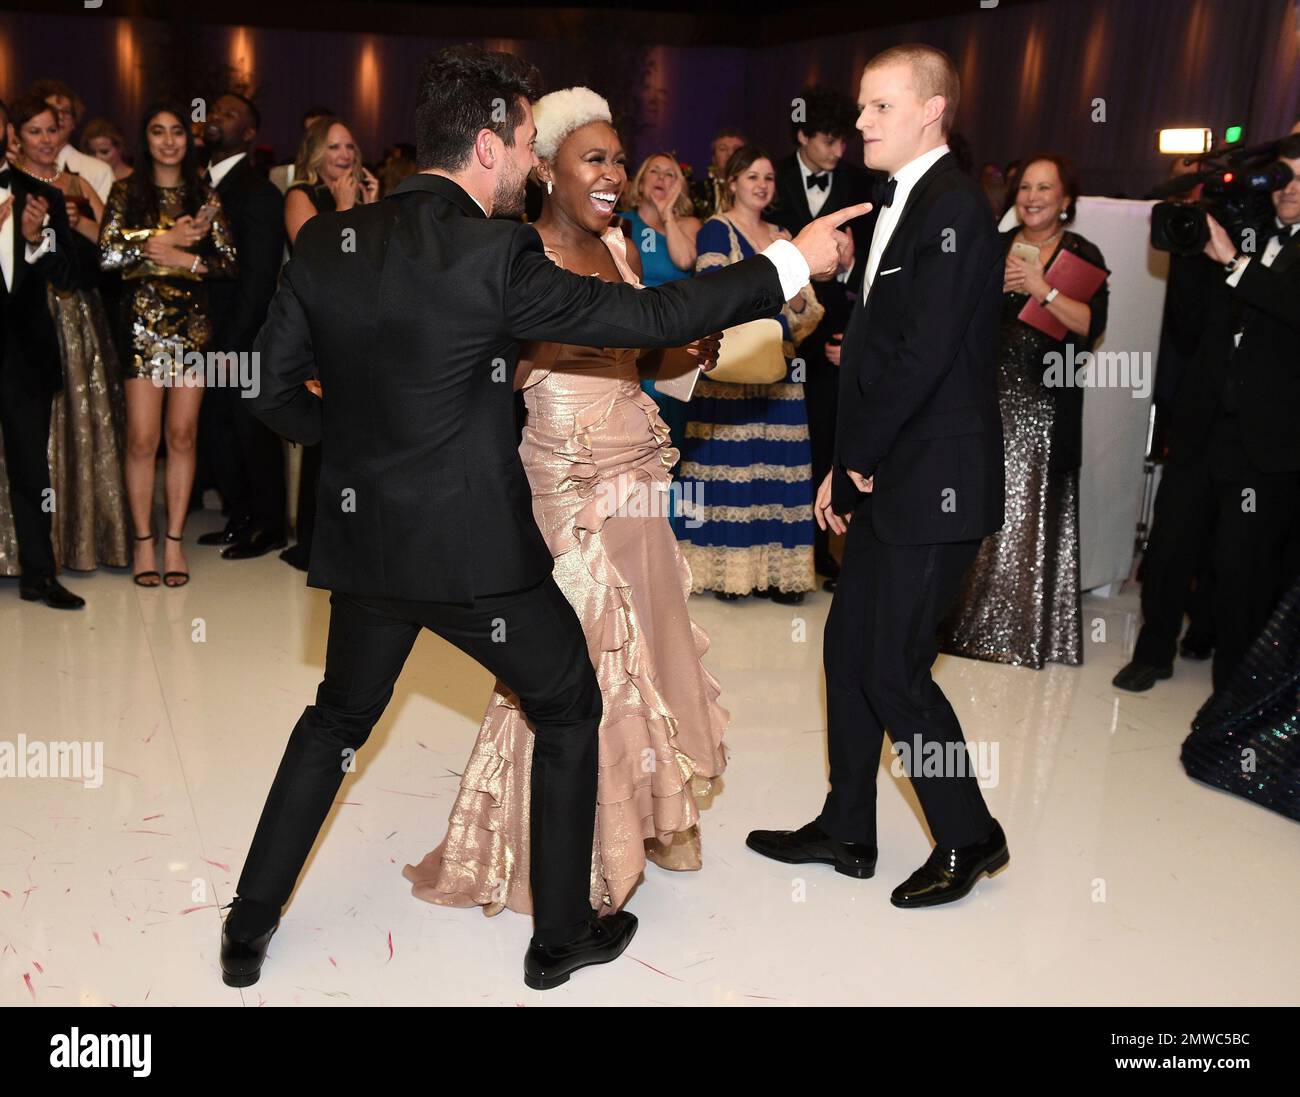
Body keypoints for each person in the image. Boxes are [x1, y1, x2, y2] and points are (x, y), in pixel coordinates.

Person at [219, 44, 863, 992]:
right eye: (525, 142)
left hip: (367, 551)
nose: (531, 160)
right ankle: (558, 937)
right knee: (569, 705)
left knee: (335, 722)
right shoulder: (495, 253)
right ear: (486, 145)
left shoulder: (328, 245)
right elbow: (650, 323)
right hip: (480, 556)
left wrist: (360, 453)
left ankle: (246, 927)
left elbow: (268, 390)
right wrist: (784, 266)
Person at [404, 85, 729, 931]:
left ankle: (652, 821)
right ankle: (562, 852)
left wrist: (685, 349)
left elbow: (643, 359)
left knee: (650, 653)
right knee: (577, 671)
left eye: (621, 158)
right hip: (567, 492)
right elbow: (492, 377)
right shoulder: (514, 260)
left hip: (639, 481)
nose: (615, 174)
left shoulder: (620, 245)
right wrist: (556, 342)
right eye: (597, 158)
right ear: (545, 170)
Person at [747, 43, 1010, 908]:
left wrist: (857, 462)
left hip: (936, 480)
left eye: (880, 107)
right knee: (846, 647)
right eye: (861, 108)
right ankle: (848, 824)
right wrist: (841, 467)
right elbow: (871, 350)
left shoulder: (958, 209)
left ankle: (970, 835)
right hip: (889, 470)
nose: (859, 123)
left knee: (895, 666)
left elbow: (926, 355)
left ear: (932, 111)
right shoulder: (896, 203)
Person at [1113, 134, 1300, 693]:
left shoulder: (1256, 251)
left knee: (1243, 565)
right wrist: (1197, 251)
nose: (1285, 187)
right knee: (1170, 548)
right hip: (1201, 423)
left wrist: (1234, 260)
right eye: (1281, 174)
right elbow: (1192, 328)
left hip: (1266, 438)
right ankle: (1153, 650)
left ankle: (1234, 685)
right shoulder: (1248, 230)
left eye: (1297, 175)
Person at [939, 154, 1109, 668]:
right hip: (986, 397)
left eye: (1045, 188)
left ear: (1066, 200)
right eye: (1026, 188)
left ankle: (1027, 634)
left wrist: (1042, 288)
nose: (1033, 197)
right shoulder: (993, 244)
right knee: (980, 506)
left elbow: (1087, 325)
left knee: (1032, 512)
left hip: (1046, 404)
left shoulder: (1081, 254)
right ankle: (966, 626)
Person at [99, 101, 238, 589]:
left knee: (182, 435)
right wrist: (161, 238)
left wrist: (182, 257)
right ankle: (143, 541)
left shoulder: (204, 195)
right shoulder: (125, 192)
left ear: (188, 137)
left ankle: (174, 539)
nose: (169, 140)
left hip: (192, 332)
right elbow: (109, 254)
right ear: (146, 138)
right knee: (142, 439)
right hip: (140, 328)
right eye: (157, 131)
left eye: (177, 130)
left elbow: (227, 262)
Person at [676, 146, 823, 604]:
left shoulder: (785, 235)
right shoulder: (717, 230)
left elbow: (810, 310)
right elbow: (720, 297)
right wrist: (783, 301)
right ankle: (729, 574)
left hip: (779, 371)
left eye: (769, 177)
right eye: (752, 176)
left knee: (777, 471)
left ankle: (778, 575)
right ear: (732, 182)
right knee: (729, 469)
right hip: (731, 371)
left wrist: (788, 306)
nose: (762, 184)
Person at [8, 94, 129, 573]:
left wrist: (83, 224)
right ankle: (26, 545)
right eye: (34, 131)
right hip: (26, 311)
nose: (44, 139)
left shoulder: (77, 181)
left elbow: (112, 246)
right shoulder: (12, 186)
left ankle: (81, 536)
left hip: (76, 310)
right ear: (17, 136)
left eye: (52, 130)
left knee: (83, 415)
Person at [770, 86, 876, 591]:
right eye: (829, 141)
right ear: (802, 136)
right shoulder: (771, 179)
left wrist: (851, 272)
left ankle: (819, 551)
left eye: (843, 142)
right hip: (782, 335)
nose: (839, 151)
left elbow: (874, 270)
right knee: (781, 444)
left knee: (830, 442)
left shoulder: (860, 184)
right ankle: (776, 549)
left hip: (837, 335)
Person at [278, 114, 378, 571]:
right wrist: (343, 211)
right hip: (318, 326)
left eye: (350, 147)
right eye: (335, 147)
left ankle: (355, 533)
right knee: (325, 428)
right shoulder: (301, 195)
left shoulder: (363, 197)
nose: (345, 155)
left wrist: (371, 207)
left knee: (359, 431)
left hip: (362, 326)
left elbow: (377, 263)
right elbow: (318, 259)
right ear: (316, 153)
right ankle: (314, 542)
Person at [0, 96, 86, 608]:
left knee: (33, 469)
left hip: (24, 356)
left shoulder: (40, 195)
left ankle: (39, 573)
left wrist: (36, 241)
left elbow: (71, 277)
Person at [195, 93, 287, 560]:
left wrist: (232, 342)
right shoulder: (197, 185)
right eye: (213, 110)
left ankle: (269, 525)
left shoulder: (258, 191)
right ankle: (241, 516)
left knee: (250, 430)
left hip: (241, 336)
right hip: (203, 334)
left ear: (249, 134)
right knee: (219, 429)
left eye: (228, 114)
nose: (214, 117)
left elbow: (258, 278)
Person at [618, 151, 701, 454]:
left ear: (680, 186)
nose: (662, 179)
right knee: (632, 432)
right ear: (640, 182)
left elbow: (685, 260)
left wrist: (667, 215)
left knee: (669, 437)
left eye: (670, 175)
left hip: (677, 336)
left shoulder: (689, 225)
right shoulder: (620, 223)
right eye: (655, 172)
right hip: (632, 335)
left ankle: (667, 501)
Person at [28, 79, 114, 204]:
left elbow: (107, 222)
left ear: (74, 122)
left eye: (66, 112)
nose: (60, 117)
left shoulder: (98, 170)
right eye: (53, 110)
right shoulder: (19, 166)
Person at [268, 105, 334, 194]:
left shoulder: (353, 173)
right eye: (308, 132)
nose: (313, 138)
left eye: (319, 132)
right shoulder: (285, 174)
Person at [689, 127, 745, 221]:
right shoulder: (697, 191)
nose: (730, 153)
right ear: (713, 158)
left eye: (737, 149)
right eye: (723, 149)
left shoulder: (755, 190)